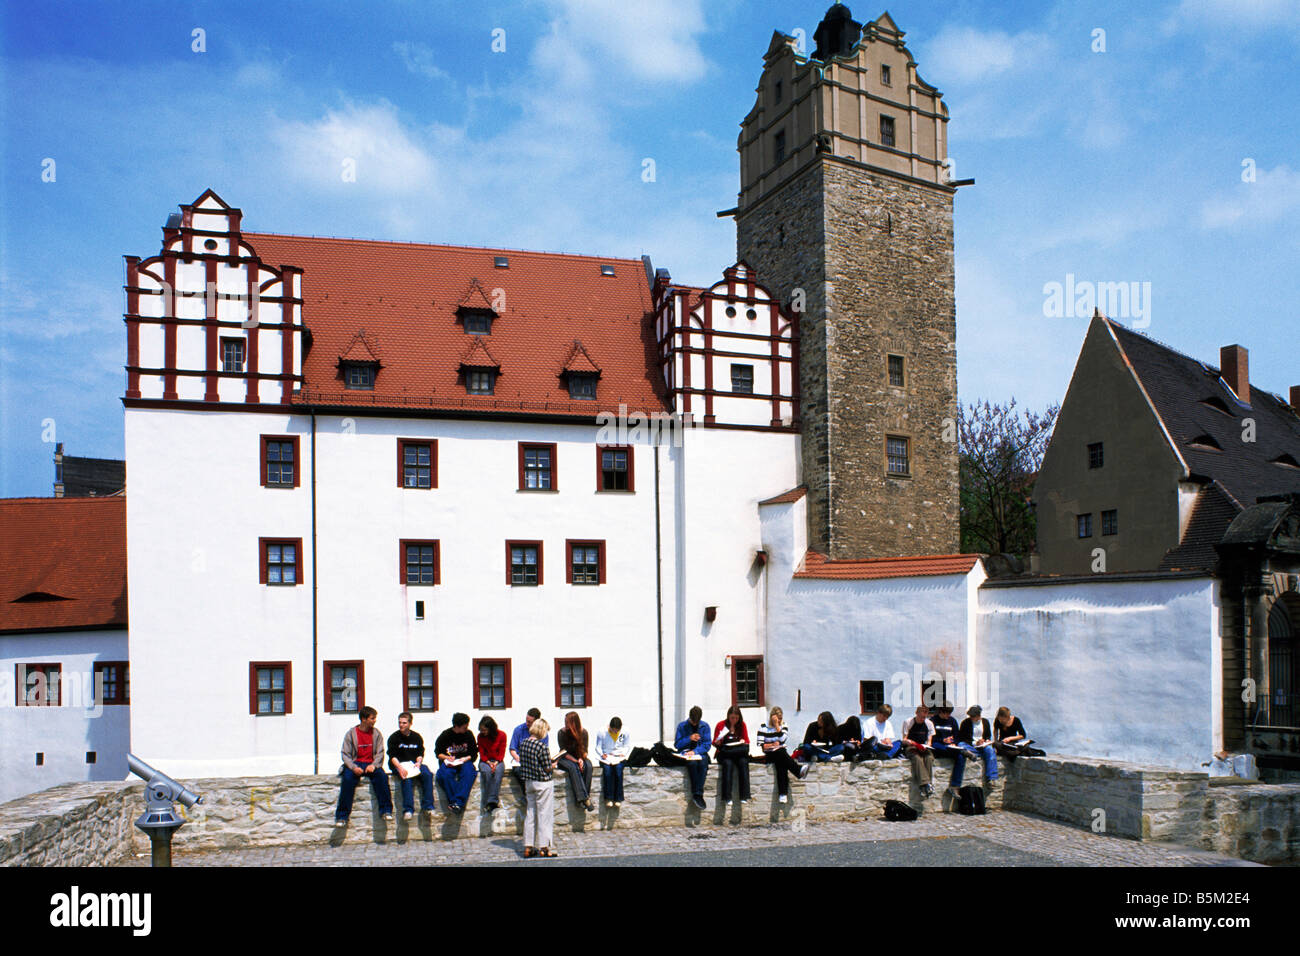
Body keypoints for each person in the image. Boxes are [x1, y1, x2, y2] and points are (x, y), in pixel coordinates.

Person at [334, 706, 394, 827]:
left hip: (371, 764)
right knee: (347, 780)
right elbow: (345, 754)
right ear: (364, 719)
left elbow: (380, 753)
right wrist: (353, 767)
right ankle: (342, 817)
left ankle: (386, 810)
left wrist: (374, 765)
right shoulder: (351, 734)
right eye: (372, 718)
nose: (374, 720)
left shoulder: (376, 733)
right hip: (355, 763)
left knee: (382, 778)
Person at [519, 718, 557, 858]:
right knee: (544, 815)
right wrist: (553, 764)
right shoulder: (542, 746)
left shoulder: (523, 744)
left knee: (530, 814)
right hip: (543, 783)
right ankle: (544, 847)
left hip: (529, 782)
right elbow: (547, 768)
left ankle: (528, 846)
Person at [387, 711, 434, 821]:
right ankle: (408, 810)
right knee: (406, 778)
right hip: (399, 764)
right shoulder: (394, 738)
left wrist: (419, 763)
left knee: (427, 774)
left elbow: (420, 754)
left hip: (413, 764)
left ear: (410, 724)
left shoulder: (416, 737)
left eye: (404, 723)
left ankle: (428, 807)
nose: (401, 725)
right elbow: (392, 756)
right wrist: (400, 768)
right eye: (400, 723)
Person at [756, 706, 808, 804]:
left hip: (780, 753)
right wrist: (772, 744)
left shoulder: (783, 725)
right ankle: (798, 771)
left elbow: (783, 739)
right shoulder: (763, 727)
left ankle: (783, 795)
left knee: (781, 761)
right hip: (770, 754)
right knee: (781, 753)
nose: (779, 720)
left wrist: (777, 726)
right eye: (777, 719)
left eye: (780, 718)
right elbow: (762, 746)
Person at [434, 712, 479, 813]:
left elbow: (474, 753)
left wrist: (465, 758)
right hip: (450, 762)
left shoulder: (469, 734)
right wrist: (447, 758)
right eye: (464, 727)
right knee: (444, 775)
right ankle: (455, 802)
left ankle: (458, 802)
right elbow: (438, 753)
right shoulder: (445, 735)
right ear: (457, 726)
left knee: (469, 773)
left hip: (464, 761)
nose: (466, 728)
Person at [674, 705, 712, 809]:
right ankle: (697, 794)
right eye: (693, 722)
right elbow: (677, 744)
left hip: (699, 753)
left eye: (696, 722)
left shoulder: (705, 726)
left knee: (704, 763)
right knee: (692, 764)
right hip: (686, 754)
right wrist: (689, 738)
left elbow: (707, 745)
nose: (695, 724)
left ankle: (698, 794)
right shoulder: (682, 726)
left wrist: (695, 751)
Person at [713, 705, 752, 805]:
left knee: (744, 762)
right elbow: (715, 741)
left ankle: (744, 795)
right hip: (725, 754)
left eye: (736, 718)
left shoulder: (742, 725)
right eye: (732, 718)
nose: (734, 720)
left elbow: (746, 740)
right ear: (728, 716)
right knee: (728, 764)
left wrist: (743, 741)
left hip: (737, 753)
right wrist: (718, 742)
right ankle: (727, 797)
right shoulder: (721, 725)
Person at [557, 711, 595, 811]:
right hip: (566, 758)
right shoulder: (561, 733)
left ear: (574, 723)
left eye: (567, 722)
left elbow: (585, 750)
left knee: (589, 766)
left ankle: (582, 800)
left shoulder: (583, 733)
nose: (565, 724)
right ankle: (585, 798)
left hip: (580, 756)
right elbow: (563, 752)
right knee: (573, 767)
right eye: (565, 721)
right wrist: (576, 761)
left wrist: (581, 759)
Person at [955, 704, 998, 790]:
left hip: (982, 747)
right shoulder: (965, 723)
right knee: (961, 745)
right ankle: (970, 754)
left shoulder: (985, 722)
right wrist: (975, 742)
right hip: (971, 746)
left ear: (978, 716)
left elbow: (988, 736)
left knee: (990, 750)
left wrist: (985, 741)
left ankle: (991, 778)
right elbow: (962, 738)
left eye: (973, 716)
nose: (971, 718)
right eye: (970, 716)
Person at [510, 707, 550, 794]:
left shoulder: (543, 733)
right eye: (526, 720)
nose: (527, 723)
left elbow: (545, 751)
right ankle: (528, 794)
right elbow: (512, 749)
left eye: (530, 722)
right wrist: (517, 757)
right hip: (521, 762)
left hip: (536, 764)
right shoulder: (519, 729)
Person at [901, 704, 936, 797]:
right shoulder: (908, 722)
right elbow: (904, 739)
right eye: (920, 717)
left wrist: (926, 746)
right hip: (911, 746)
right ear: (916, 713)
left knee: (929, 757)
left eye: (924, 717)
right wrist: (910, 742)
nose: (922, 719)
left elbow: (930, 741)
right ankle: (926, 784)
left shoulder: (929, 724)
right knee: (917, 759)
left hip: (923, 747)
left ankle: (926, 785)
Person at [596, 716, 630, 808]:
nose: (615, 732)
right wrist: (602, 754)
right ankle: (609, 798)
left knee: (618, 771)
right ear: (609, 727)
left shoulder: (624, 732)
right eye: (613, 730)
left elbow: (626, 745)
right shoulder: (602, 732)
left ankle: (618, 798)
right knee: (607, 772)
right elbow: (598, 747)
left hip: (619, 757)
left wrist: (623, 753)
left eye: (617, 731)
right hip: (606, 757)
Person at [478, 714, 508, 811]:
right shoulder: (480, 737)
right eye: (481, 730)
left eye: (484, 730)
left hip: (498, 760)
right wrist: (488, 762)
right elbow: (482, 752)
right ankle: (489, 801)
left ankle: (492, 801)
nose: (482, 732)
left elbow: (502, 751)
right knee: (487, 772)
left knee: (498, 773)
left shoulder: (502, 735)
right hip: (485, 760)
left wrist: (496, 762)